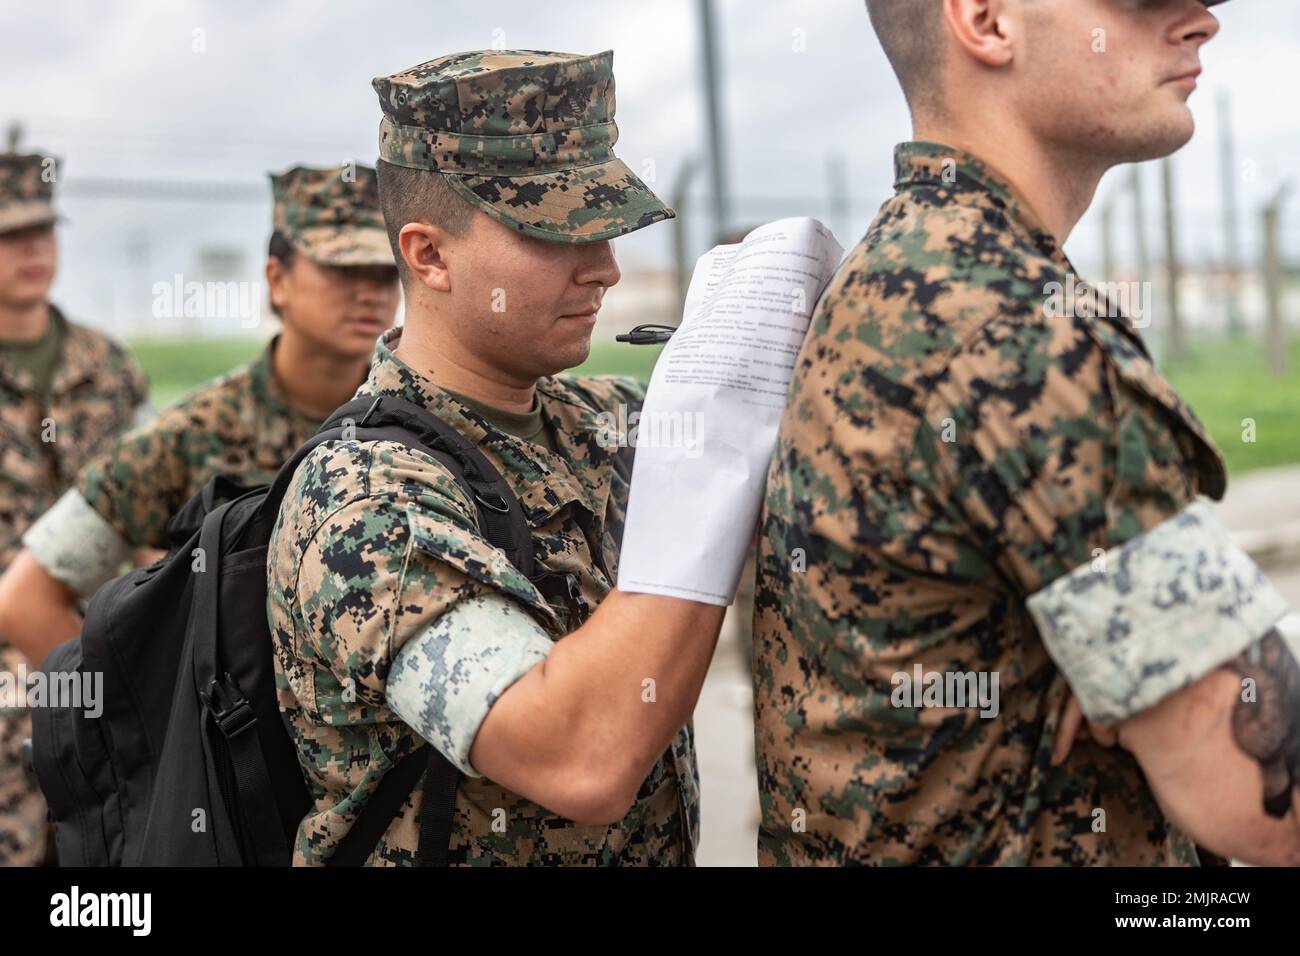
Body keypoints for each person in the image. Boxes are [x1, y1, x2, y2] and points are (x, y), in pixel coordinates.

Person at [753, 0, 1300, 866]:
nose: (1201, 23)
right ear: (987, 20)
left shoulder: (902, 268)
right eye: (1145, 2)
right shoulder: (1018, 332)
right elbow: (1266, 808)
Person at [268, 49, 745, 865]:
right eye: (554, 233)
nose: (604, 269)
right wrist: (713, 471)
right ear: (429, 255)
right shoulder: (363, 502)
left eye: (604, 230)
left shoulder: (603, 422)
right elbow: (580, 754)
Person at [0, 163, 399, 673]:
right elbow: (26, 601)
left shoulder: (417, 421)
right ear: (278, 280)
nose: (370, 292)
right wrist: (142, 729)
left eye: (386, 272)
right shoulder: (196, 431)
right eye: (344, 270)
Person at [0, 151, 149, 865]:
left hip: (90, 673)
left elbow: (150, 519)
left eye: (42, 231)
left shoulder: (109, 367)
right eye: (10, 236)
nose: (33, 251)